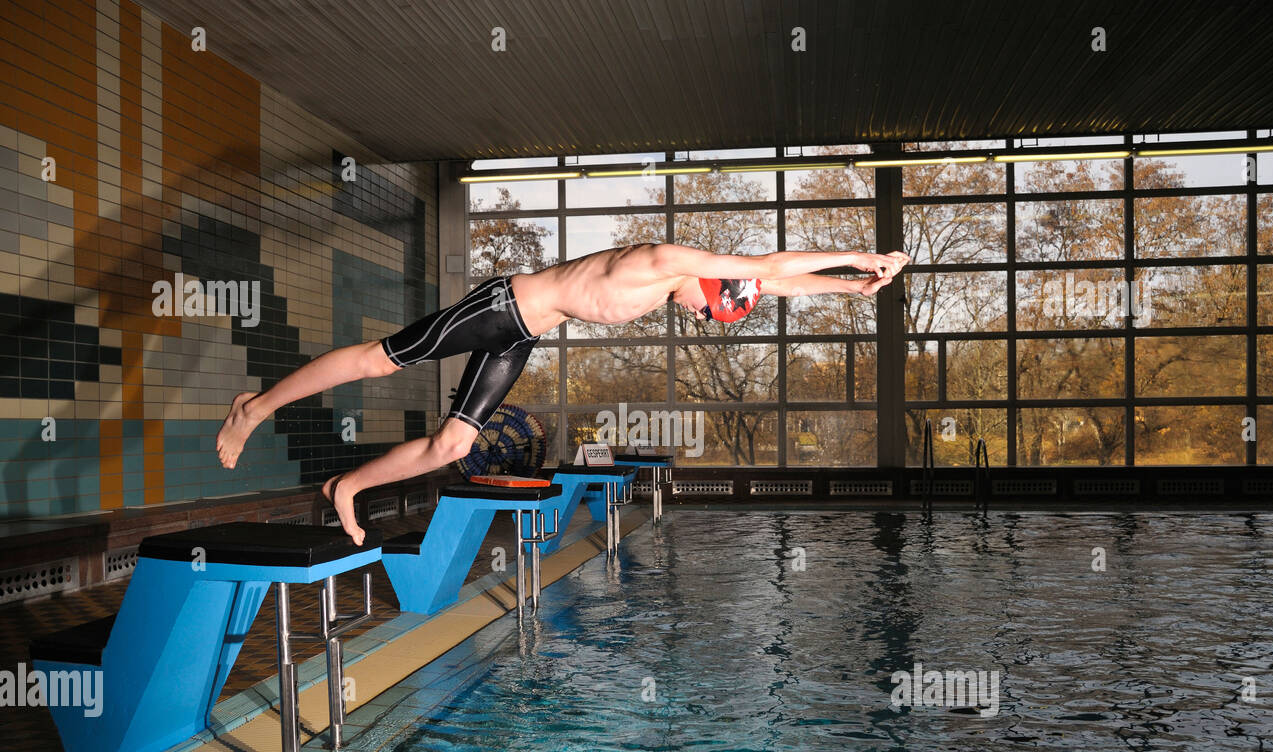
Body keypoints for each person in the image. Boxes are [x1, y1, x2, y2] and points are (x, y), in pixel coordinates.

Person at [216, 242, 910, 544]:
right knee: (379, 361)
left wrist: (853, 284)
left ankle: (349, 487)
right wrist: (859, 255)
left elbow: (773, 280)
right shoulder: (666, 263)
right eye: (710, 310)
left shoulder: (690, 282)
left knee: (453, 443)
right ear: (708, 284)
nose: (700, 318)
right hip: (498, 307)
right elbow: (769, 264)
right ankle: (257, 406)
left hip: (521, 335)